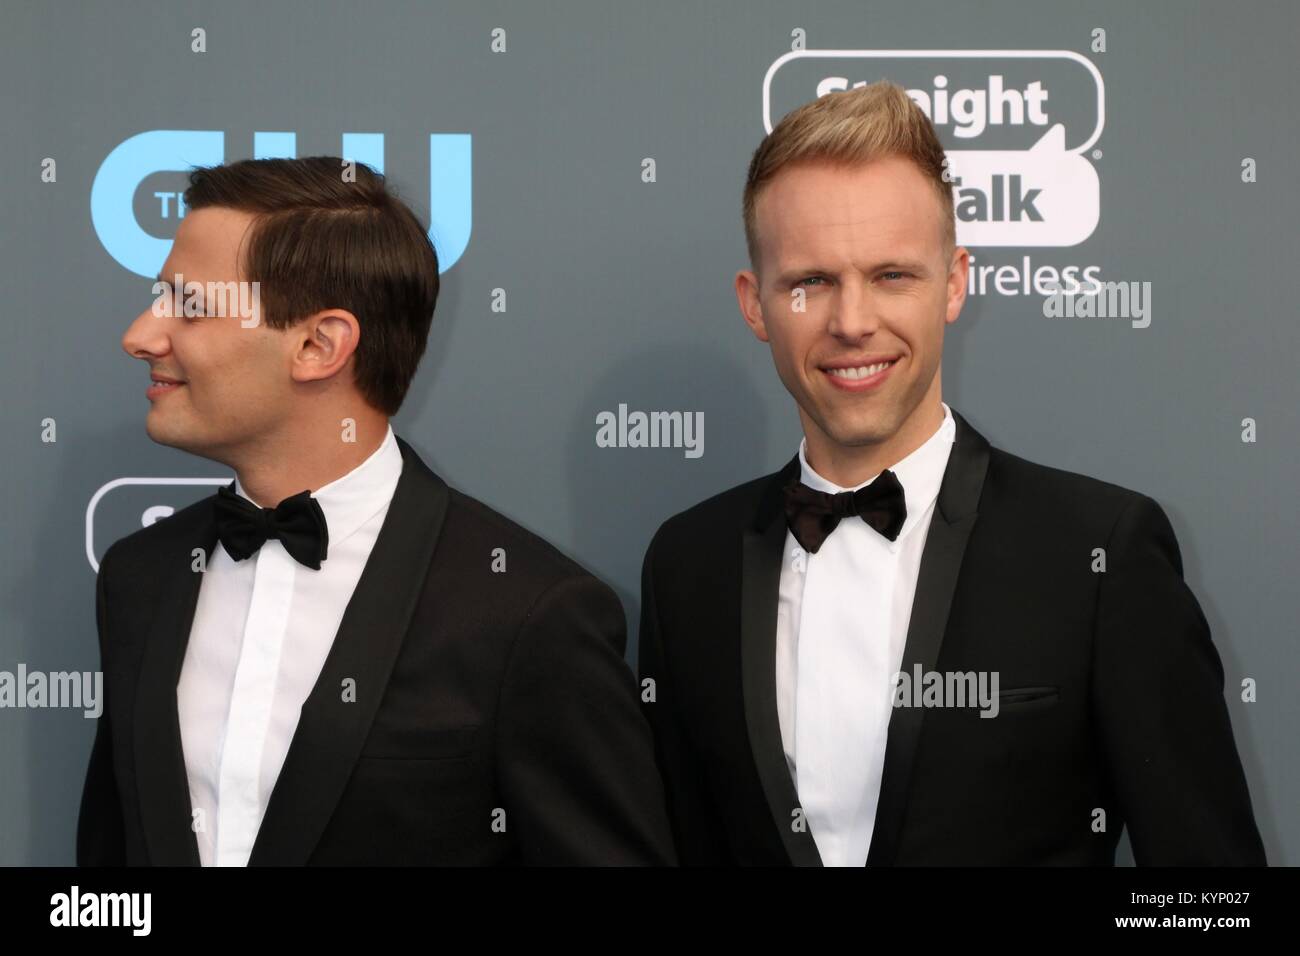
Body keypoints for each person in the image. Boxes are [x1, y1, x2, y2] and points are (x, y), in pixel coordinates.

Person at [637, 82, 1266, 866]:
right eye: (811, 281)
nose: (853, 321)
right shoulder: (686, 566)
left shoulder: (1098, 555)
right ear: (755, 303)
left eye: (893, 275)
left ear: (956, 282)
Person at [79, 157, 674, 865]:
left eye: (191, 305)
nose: (141, 335)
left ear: (318, 345)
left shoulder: (527, 613)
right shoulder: (139, 578)